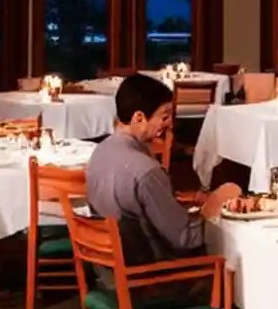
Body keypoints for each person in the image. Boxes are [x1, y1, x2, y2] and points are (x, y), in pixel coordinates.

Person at [86, 74, 241, 267]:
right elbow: (185, 238)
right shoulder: (146, 172)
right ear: (139, 117)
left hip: (107, 271)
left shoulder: (99, 153)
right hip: (148, 278)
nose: (171, 124)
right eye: (165, 116)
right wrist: (214, 206)